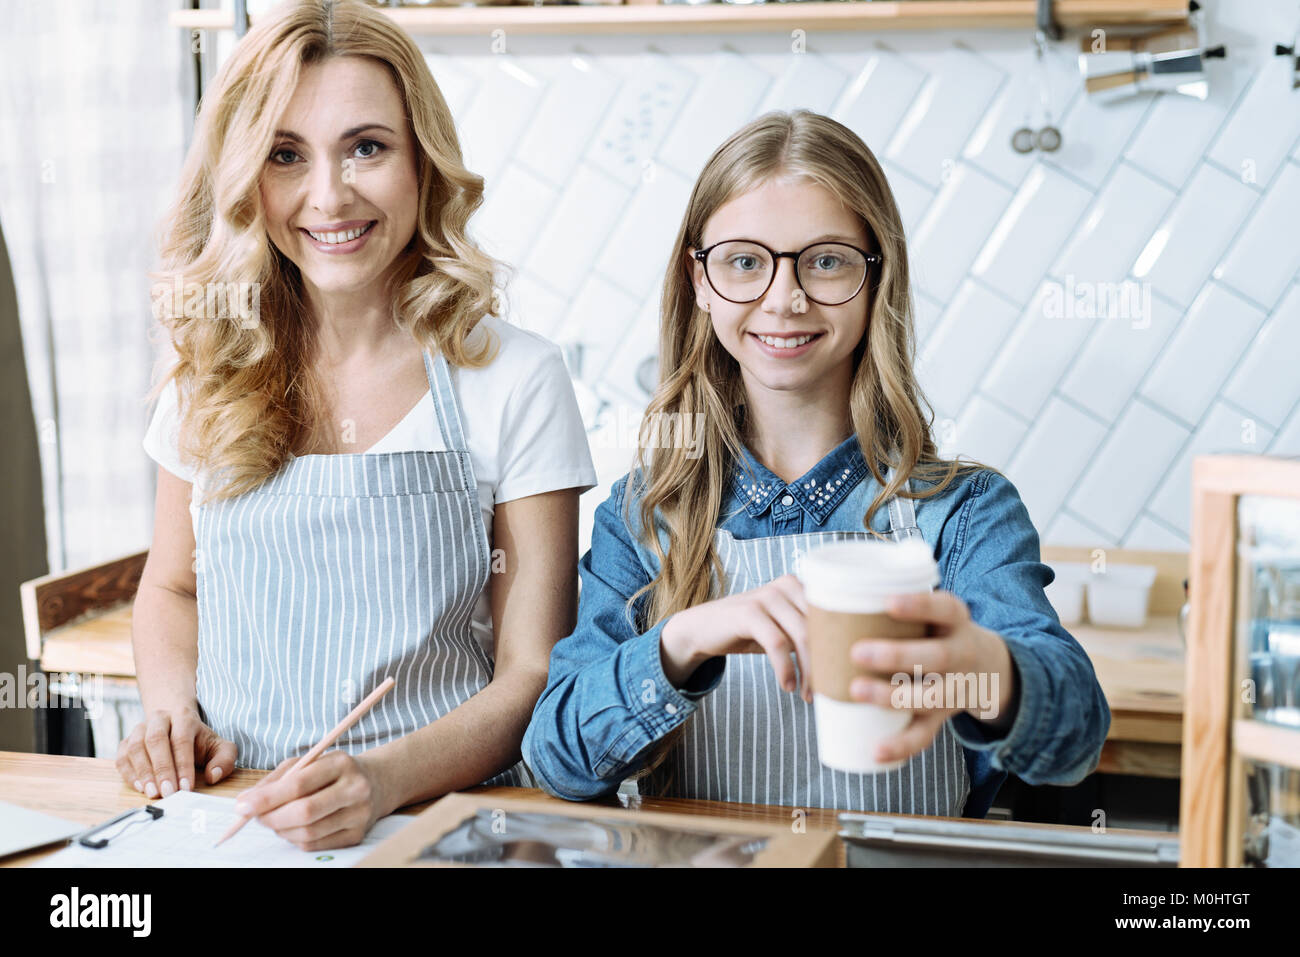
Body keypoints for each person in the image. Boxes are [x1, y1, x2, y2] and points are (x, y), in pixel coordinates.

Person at [522, 110, 1110, 817]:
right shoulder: (647, 514)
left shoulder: (963, 510)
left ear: (875, 278)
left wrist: (986, 671)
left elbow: (1076, 737)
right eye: (745, 261)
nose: (784, 297)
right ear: (700, 281)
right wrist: (683, 639)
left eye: (825, 259)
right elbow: (555, 758)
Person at [119, 0, 595, 850]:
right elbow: (171, 587)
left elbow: (533, 673)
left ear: (422, 162)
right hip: (239, 823)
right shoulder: (211, 369)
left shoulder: (515, 377)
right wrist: (168, 715)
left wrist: (381, 781)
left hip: (444, 827)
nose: (328, 195)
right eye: (285, 155)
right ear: (245, 178)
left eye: (366, 147)